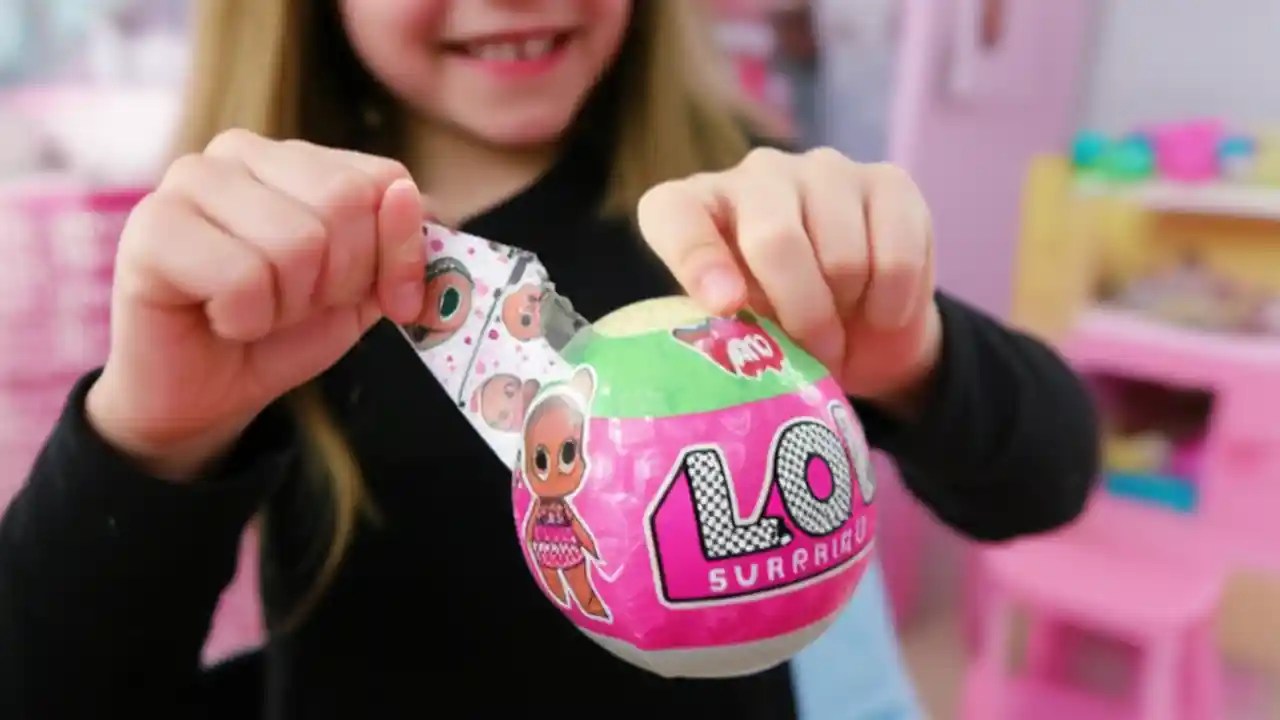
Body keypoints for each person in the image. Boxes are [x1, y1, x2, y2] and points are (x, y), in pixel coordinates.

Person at [0, 2, 1098, 718]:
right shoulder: (267, 268)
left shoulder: (742, 207)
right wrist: (147, 438)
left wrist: (911, 353)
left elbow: (1048, 474)